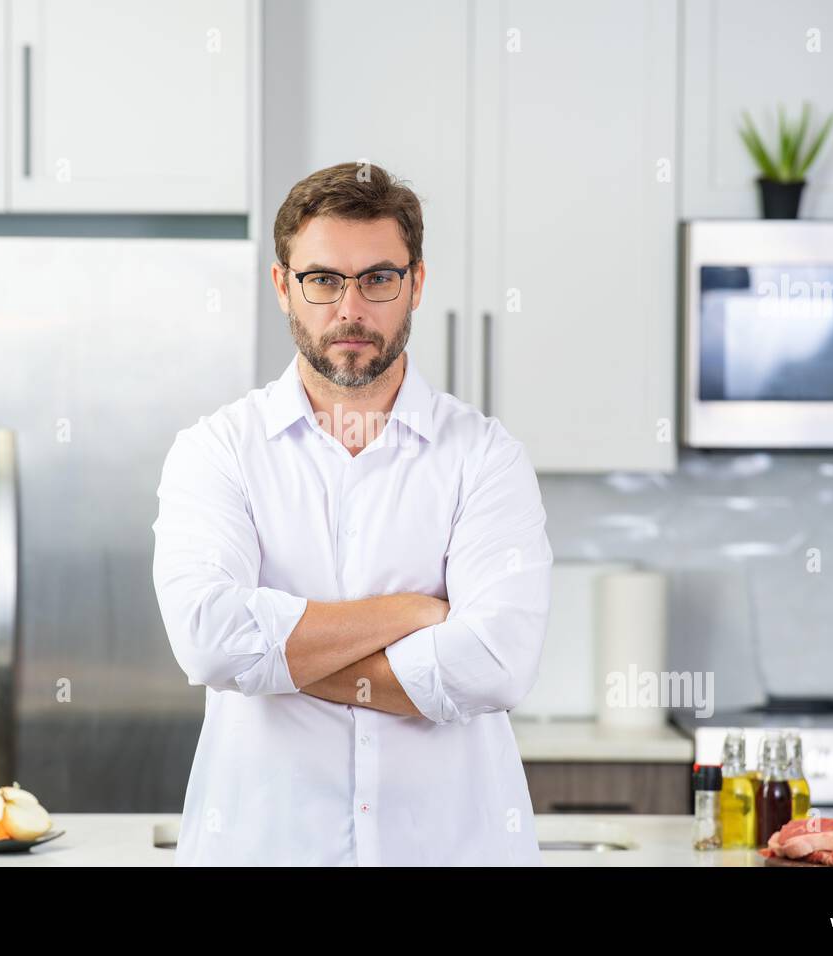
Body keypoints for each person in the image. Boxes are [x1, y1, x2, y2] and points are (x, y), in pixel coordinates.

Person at [152, 161, 553, 865]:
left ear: (416, 284)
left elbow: (494, 665)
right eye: (323, 280)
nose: (350, 310)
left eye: (378, 279)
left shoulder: (486, 457)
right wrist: (412, 612)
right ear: (283, 286)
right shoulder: (217, 452)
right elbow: (211, 641)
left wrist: (275, 658)